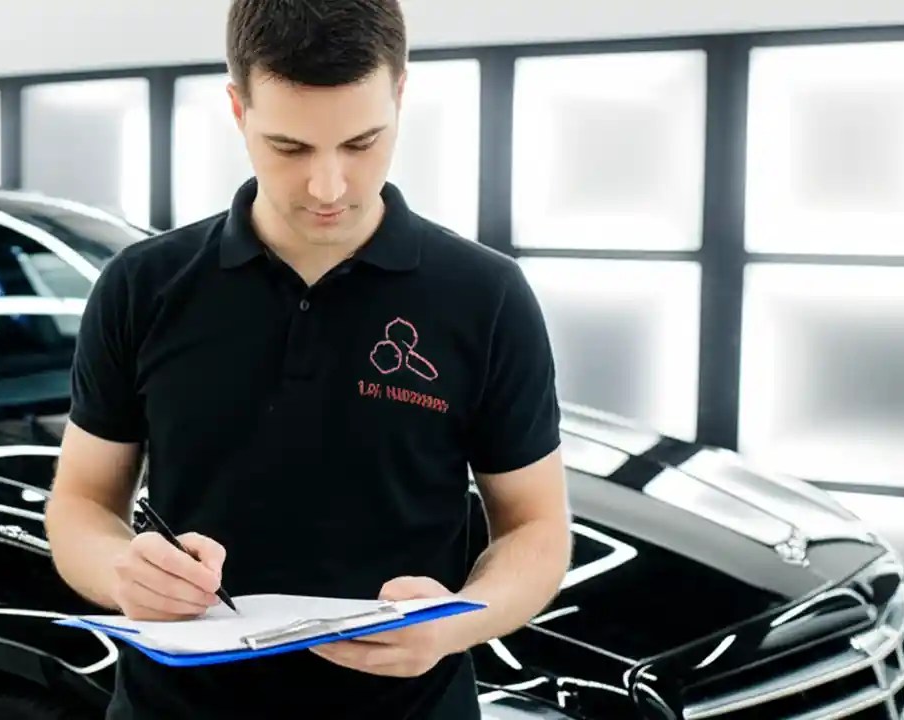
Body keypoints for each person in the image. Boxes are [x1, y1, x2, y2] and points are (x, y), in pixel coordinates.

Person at [44, 0, 573, 717]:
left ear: (401, 95)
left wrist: (464, 619)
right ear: (238, 109)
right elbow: (79, 503)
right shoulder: (143, 286)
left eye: (362, 143)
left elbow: (537, 527)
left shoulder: (486, 295)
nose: (329, 187)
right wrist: (120, 569)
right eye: (290, 147)